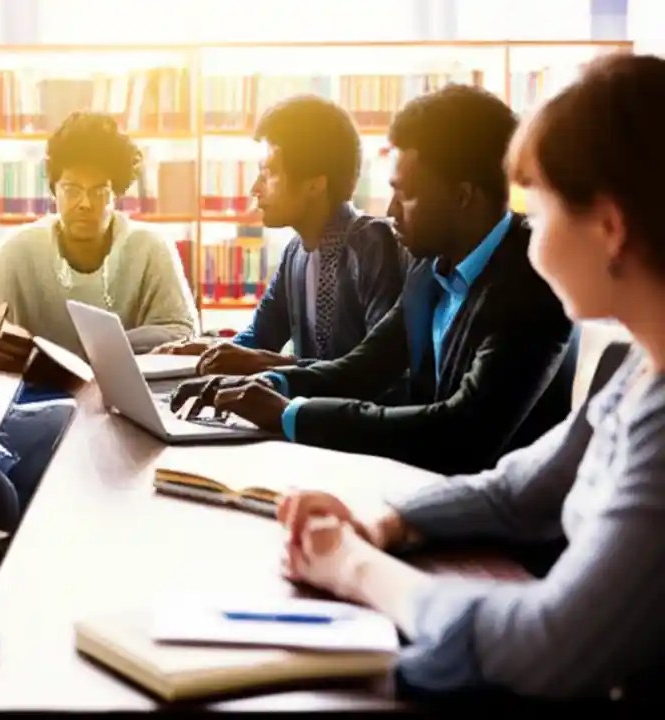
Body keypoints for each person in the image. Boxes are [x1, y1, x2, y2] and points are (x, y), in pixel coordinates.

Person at [276, 53, 665, 701]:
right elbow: (522, 489)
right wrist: (386, 523)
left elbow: (549, 643)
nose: (527, 234)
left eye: (538, 214)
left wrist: (355, 567)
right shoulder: (635, 373)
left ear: (610, 228)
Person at [171, 84, 574, 476]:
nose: (392, 210)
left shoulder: (532, 283)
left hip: (494, 522)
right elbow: (360, 370)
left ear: (463, 196)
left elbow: (462, 434)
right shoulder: (429, 269)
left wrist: (290, 413)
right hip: (419, 486)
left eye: (407, 194)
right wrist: (266, 382)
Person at [155, 95, 408, 377]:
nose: (255, 188)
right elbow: (259, 339)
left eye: (269, 173)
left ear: (315, 185)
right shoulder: (295, 253)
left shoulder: (372, 244)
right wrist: (209, 350)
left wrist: (268, 364)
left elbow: (378, 372)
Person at [0, 111, 197, 359]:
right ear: (54, 190)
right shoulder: (17, 249)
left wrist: (108, 345)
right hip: (33, 389)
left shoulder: (151, 247)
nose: (85, 203)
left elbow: (184, 332)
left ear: (116, 192)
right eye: (72, 189)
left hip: (129, 390)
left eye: (99, 191)